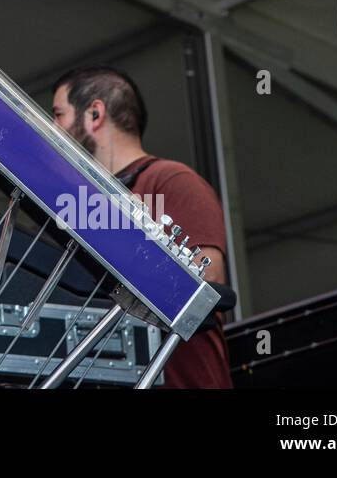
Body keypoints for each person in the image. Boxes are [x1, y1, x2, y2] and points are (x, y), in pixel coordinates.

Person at [51, 65, 232, 388]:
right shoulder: (83, 203)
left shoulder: (172, 180)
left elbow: (209, 279)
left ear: (95, 114)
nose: (53, 128)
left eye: (58, 114)